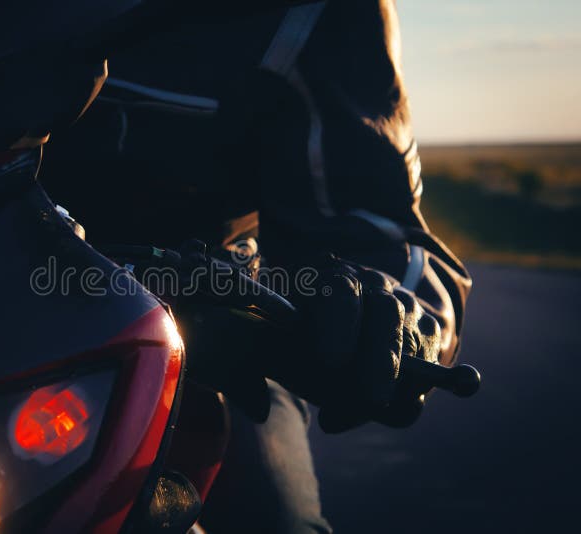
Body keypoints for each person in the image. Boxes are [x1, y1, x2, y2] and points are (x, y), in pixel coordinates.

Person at [39, 0, 472, 532]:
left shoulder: (315, 14)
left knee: (276, 520)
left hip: (208, 329)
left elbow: (373, 221)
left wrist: (395, 315)